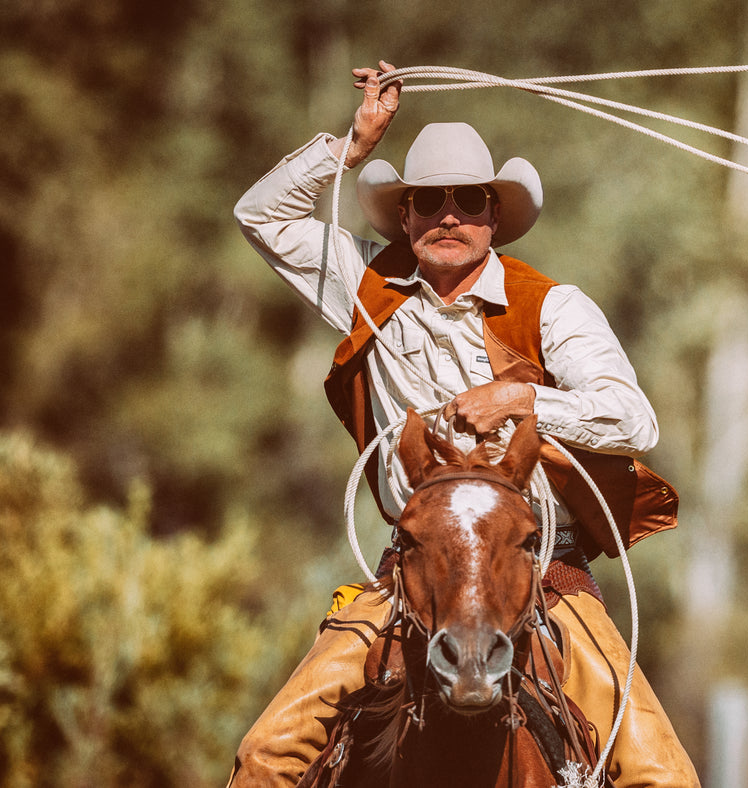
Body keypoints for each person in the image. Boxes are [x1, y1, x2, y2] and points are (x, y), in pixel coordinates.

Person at [228, 61, 700, 787]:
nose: (449, 215)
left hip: (544, 574)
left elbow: (634, 419)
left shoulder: (552, 306)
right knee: (267, 754)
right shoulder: (366, 288)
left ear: (494, 216)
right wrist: (349, 148)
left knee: (663, 776)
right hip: (415, 572)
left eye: (468, 199)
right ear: (406, 215)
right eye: (429, 200)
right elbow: (260, 216)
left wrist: (522, 401)